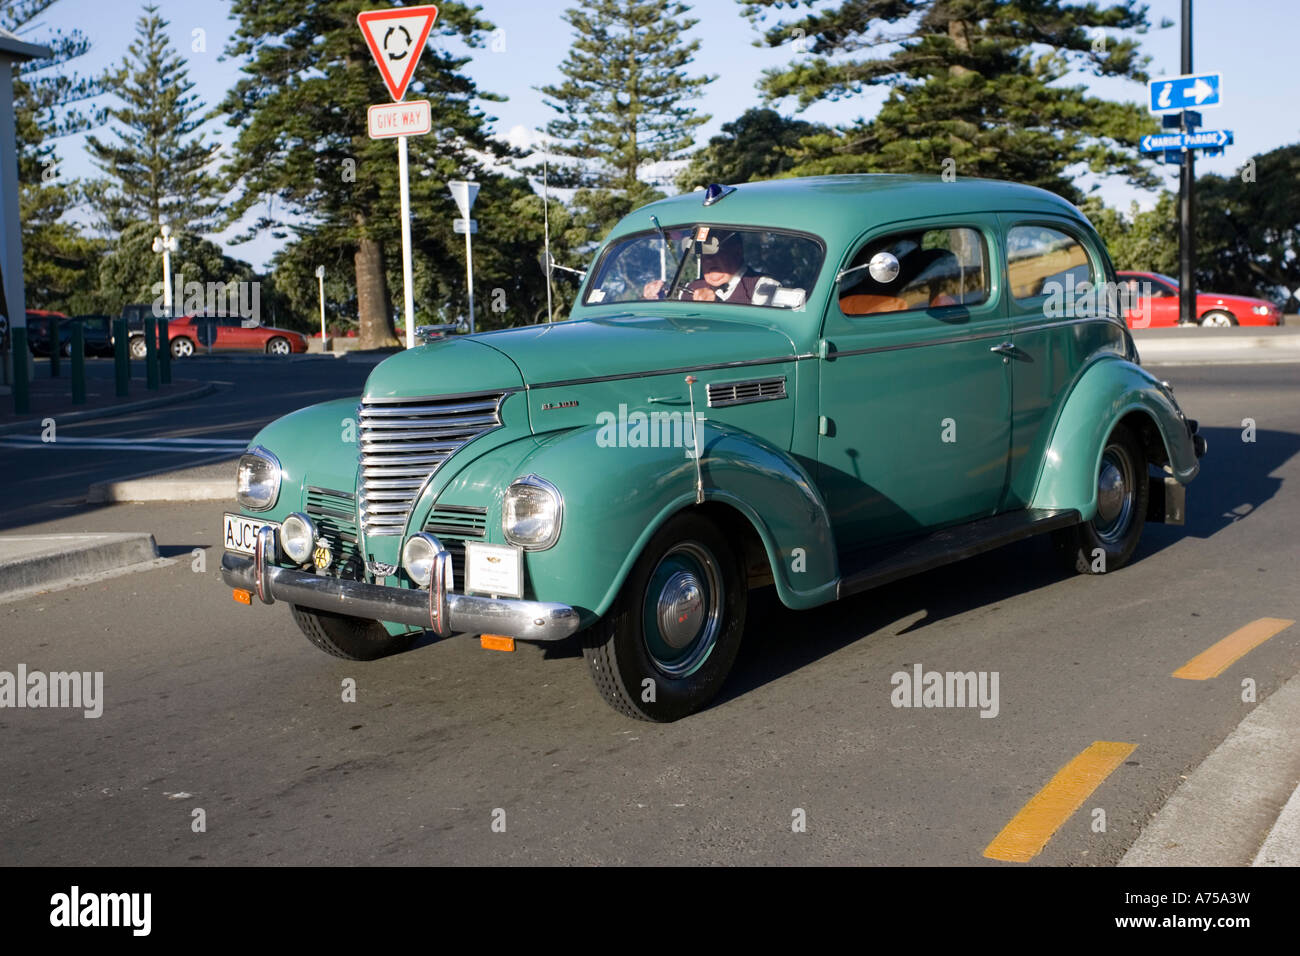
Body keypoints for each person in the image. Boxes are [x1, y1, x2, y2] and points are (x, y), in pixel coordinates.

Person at [642, 233, 778, 305]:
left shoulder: (763, 286)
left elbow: (762, 335)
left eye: (715, 253)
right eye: (703, 255)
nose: (708, 260)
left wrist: (718, 304)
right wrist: (654, 295)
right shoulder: (691, 288)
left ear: (737, 252)